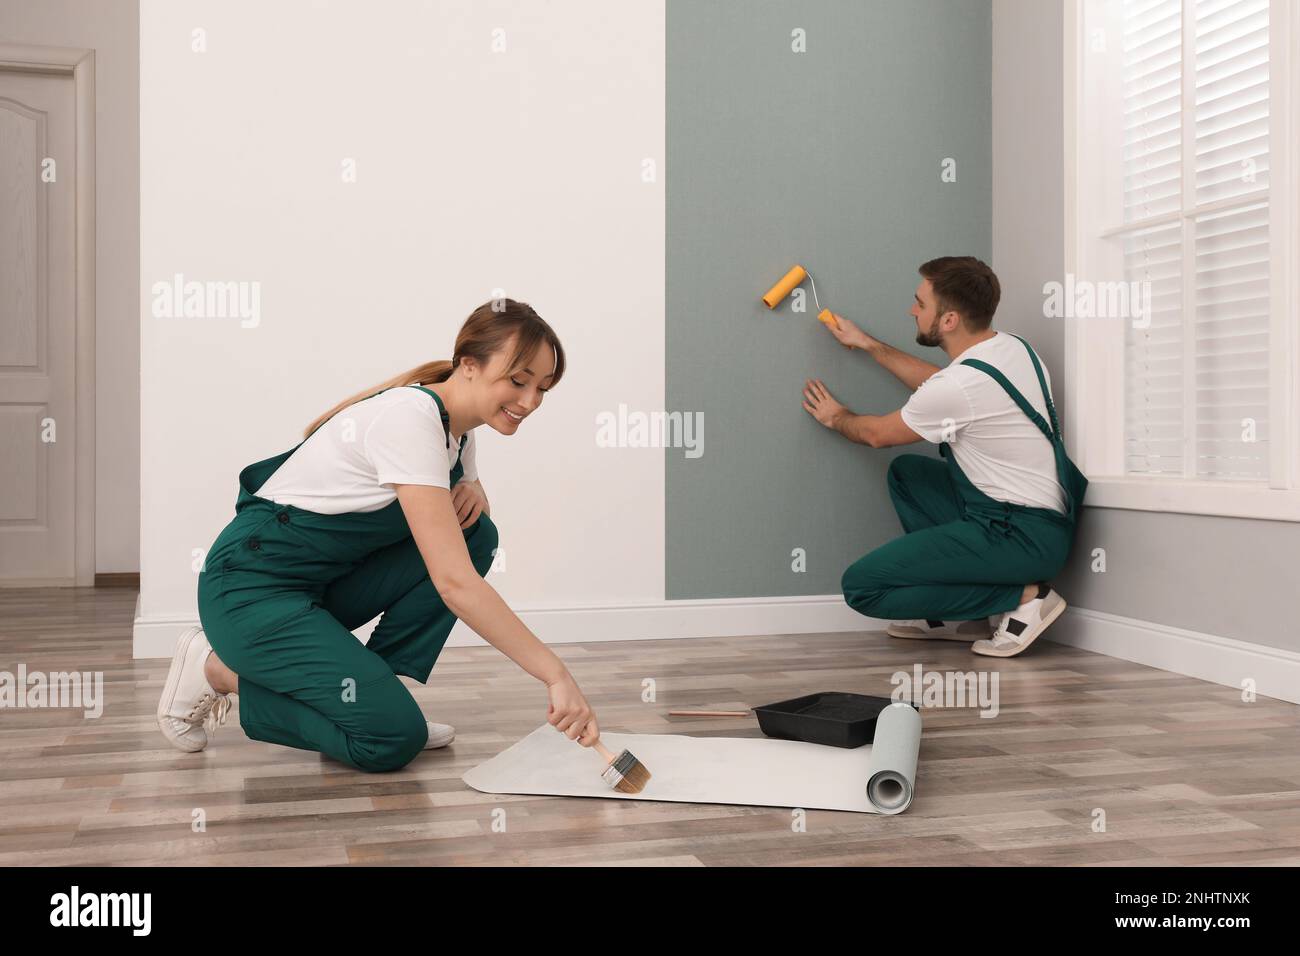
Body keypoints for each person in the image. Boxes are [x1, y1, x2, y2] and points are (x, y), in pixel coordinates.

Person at [156, 299, 600, 770]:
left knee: (476, 536)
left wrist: (472, 482)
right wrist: (555, 674)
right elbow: (454, 584)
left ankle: (374, 696)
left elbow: (463, 529)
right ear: (469, 365)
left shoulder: (461, 430)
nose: (530, 401)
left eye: (542, 388)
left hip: (319, 586)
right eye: (518, 380)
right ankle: (216, 669)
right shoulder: (409, 419)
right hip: (250, 592)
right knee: (389, 740)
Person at [801, 256, 1085, 657]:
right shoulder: (1012, 349)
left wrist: (837, 417)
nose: (911, 310)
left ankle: (1026, 597)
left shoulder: (960, 386)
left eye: (920, 303)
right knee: (908, 475)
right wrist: (868, 344)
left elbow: (877, 435)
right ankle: (957, 616)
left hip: (1017, 536)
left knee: (862, 587)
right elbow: (943, 388)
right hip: (1040, 524)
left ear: (948, 320)